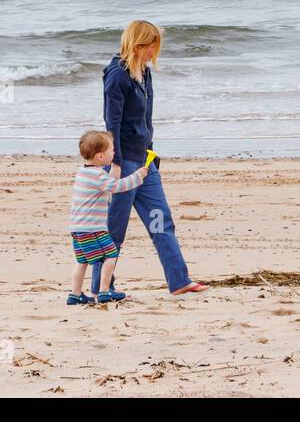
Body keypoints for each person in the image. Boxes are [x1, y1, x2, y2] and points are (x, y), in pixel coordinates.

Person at [98, 20, 208, 296]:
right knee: (115, 231)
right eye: (151, 47)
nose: (153, 53)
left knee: (161, 221)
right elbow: (112, 122)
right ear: (137, 45)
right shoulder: (116, 76)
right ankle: (102, 287)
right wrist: (116, 163)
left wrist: (151, 153)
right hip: (123, 165)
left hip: (145, 163)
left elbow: (145, 120)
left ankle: (179, 280)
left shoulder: (144, 74)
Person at [68, 130, 149, 305]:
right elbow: (116, 186)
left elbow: (106, 184)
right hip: (93, 228)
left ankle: (74, 295)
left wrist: (114, 168)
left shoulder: (84, 172)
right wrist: (138, 176)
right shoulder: (97, 175)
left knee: (82, 261)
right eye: (112, 150)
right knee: (111, 255)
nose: (114, 153)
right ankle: (104, 291)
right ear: (99, 156)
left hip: (77, 228)